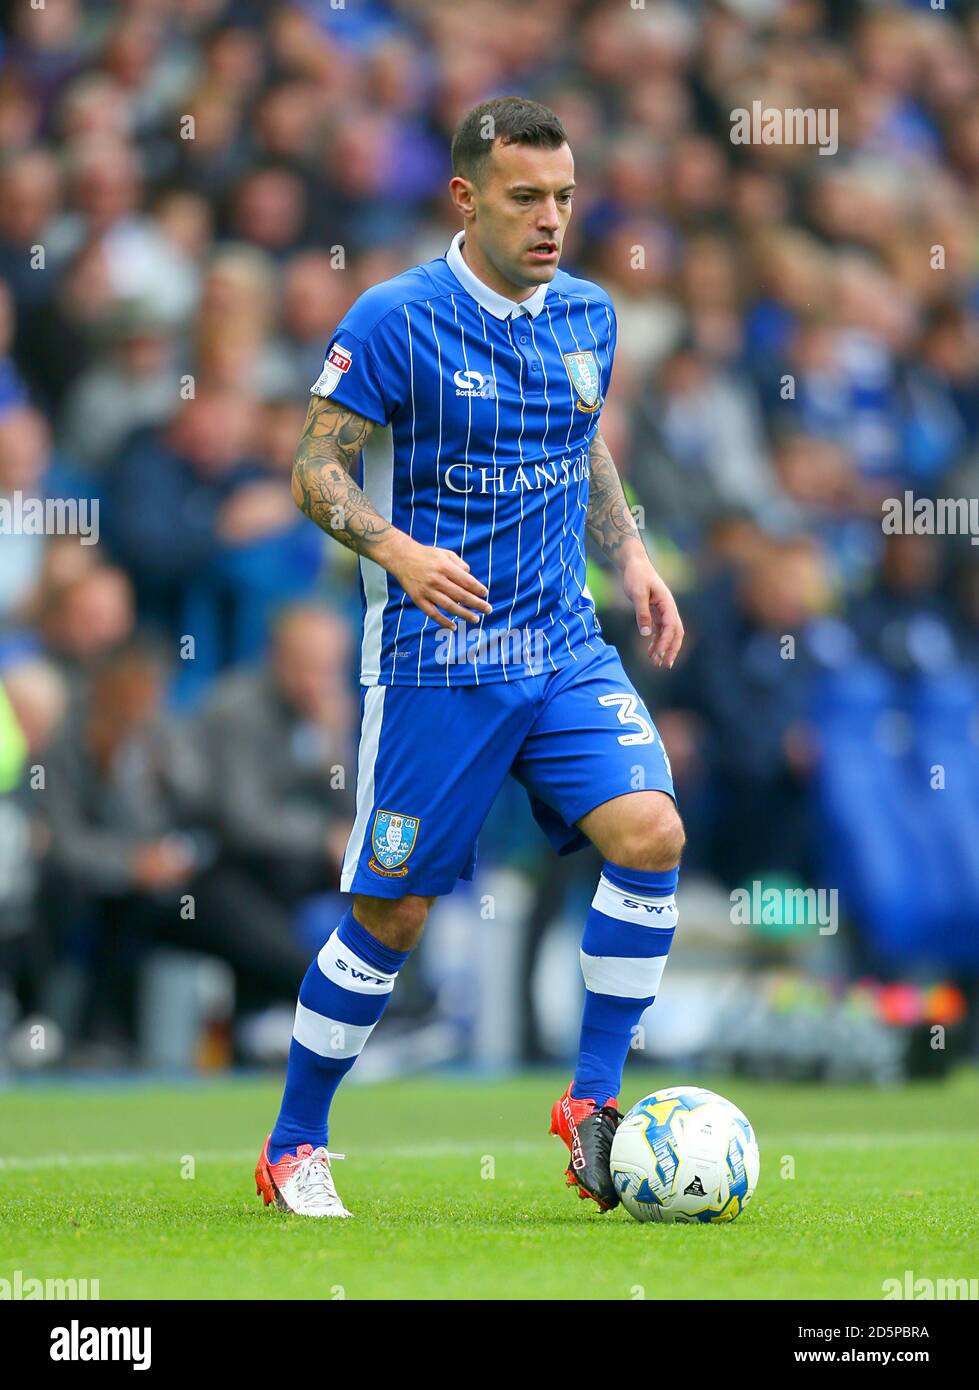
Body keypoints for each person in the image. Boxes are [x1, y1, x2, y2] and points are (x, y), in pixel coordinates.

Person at [255, 98, 686, 1219]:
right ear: (466, 198)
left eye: (564, 198)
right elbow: (312, 469)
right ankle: (294, 1142)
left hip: (561, 644)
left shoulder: (588, 313)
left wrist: (631, 553)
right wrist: (399, 549)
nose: (551, 221)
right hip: (436, 661)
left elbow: (580, 439)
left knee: (651, 832)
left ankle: (592, 1106)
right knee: (393, 914)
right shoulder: (397, 316)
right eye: (525, 199)